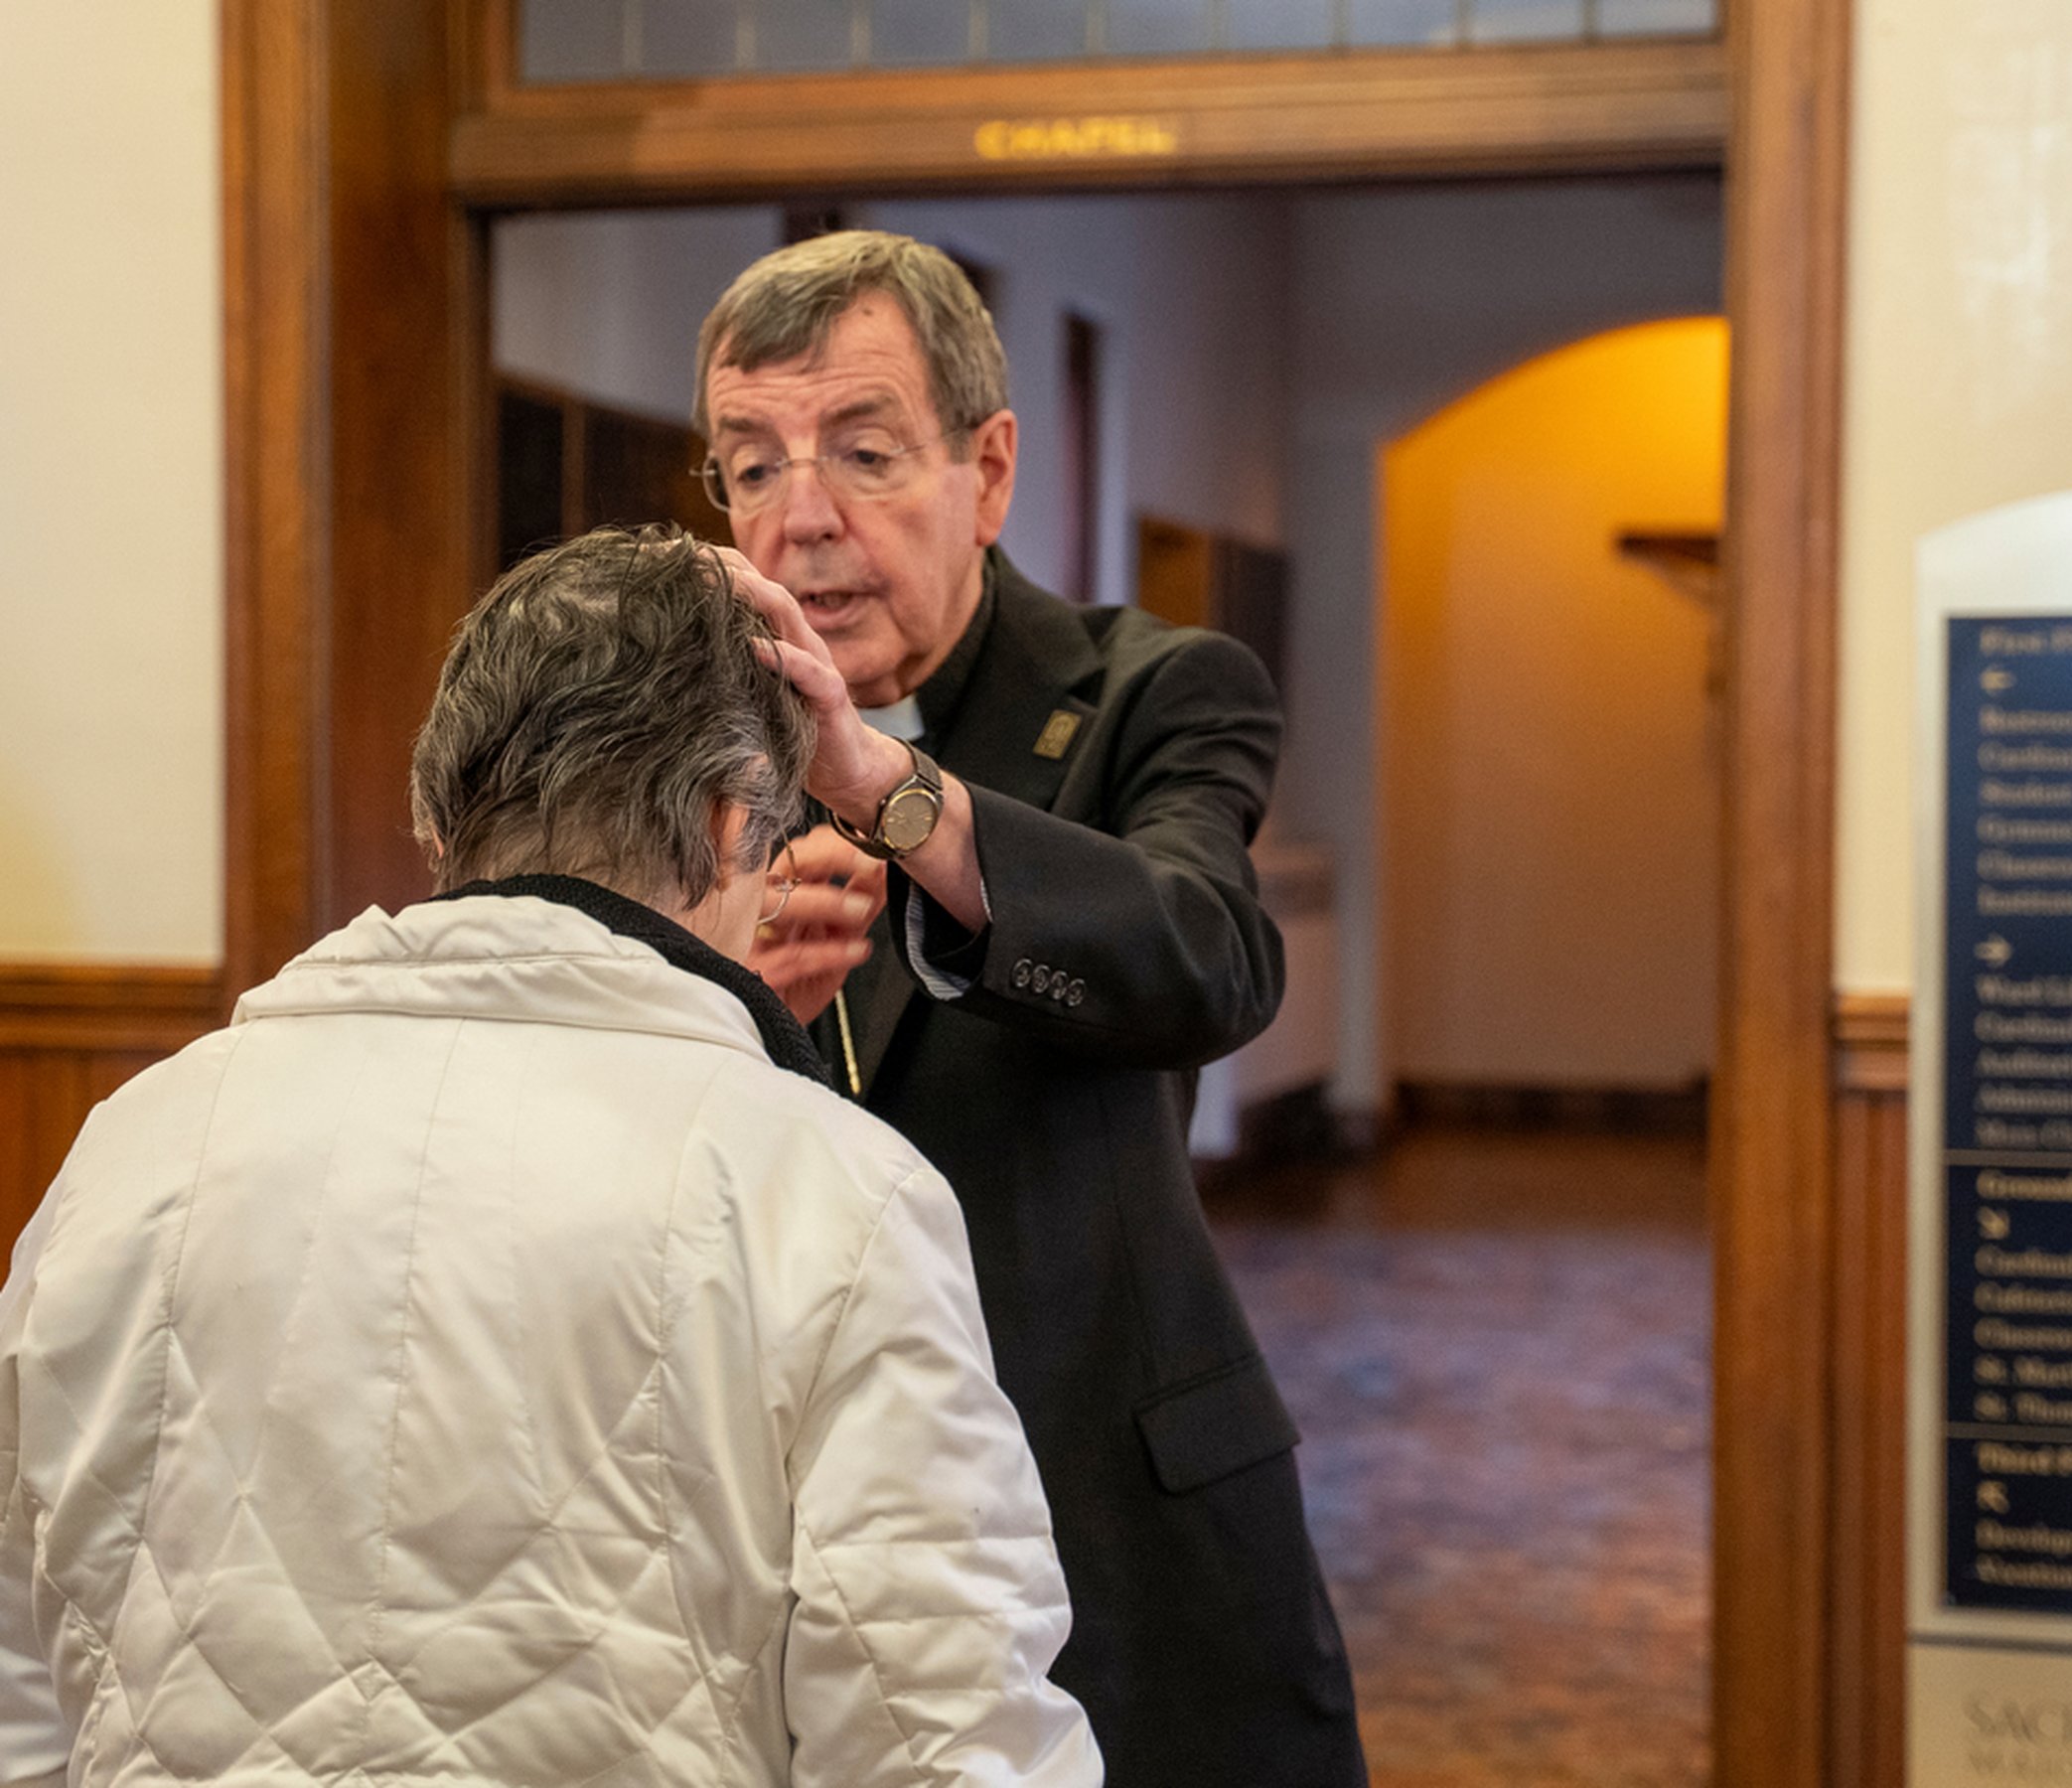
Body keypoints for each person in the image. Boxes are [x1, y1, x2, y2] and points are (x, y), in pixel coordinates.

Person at [0, 528, 1100, 1788]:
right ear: (732, 817)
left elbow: (21, 1670)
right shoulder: (835, 1197)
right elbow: (945, 1741)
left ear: (439, 813)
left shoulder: (137, 1144)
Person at [700, 229, 1367, 1785]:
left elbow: (1208, 956)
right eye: (748, 467)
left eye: (864, 454)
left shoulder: (1156, 688)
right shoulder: (681, 741)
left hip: (1102, 1502)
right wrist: (737, 1008)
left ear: (989, 471)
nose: (802, 521)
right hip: (779, 1517)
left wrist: (889, 791)